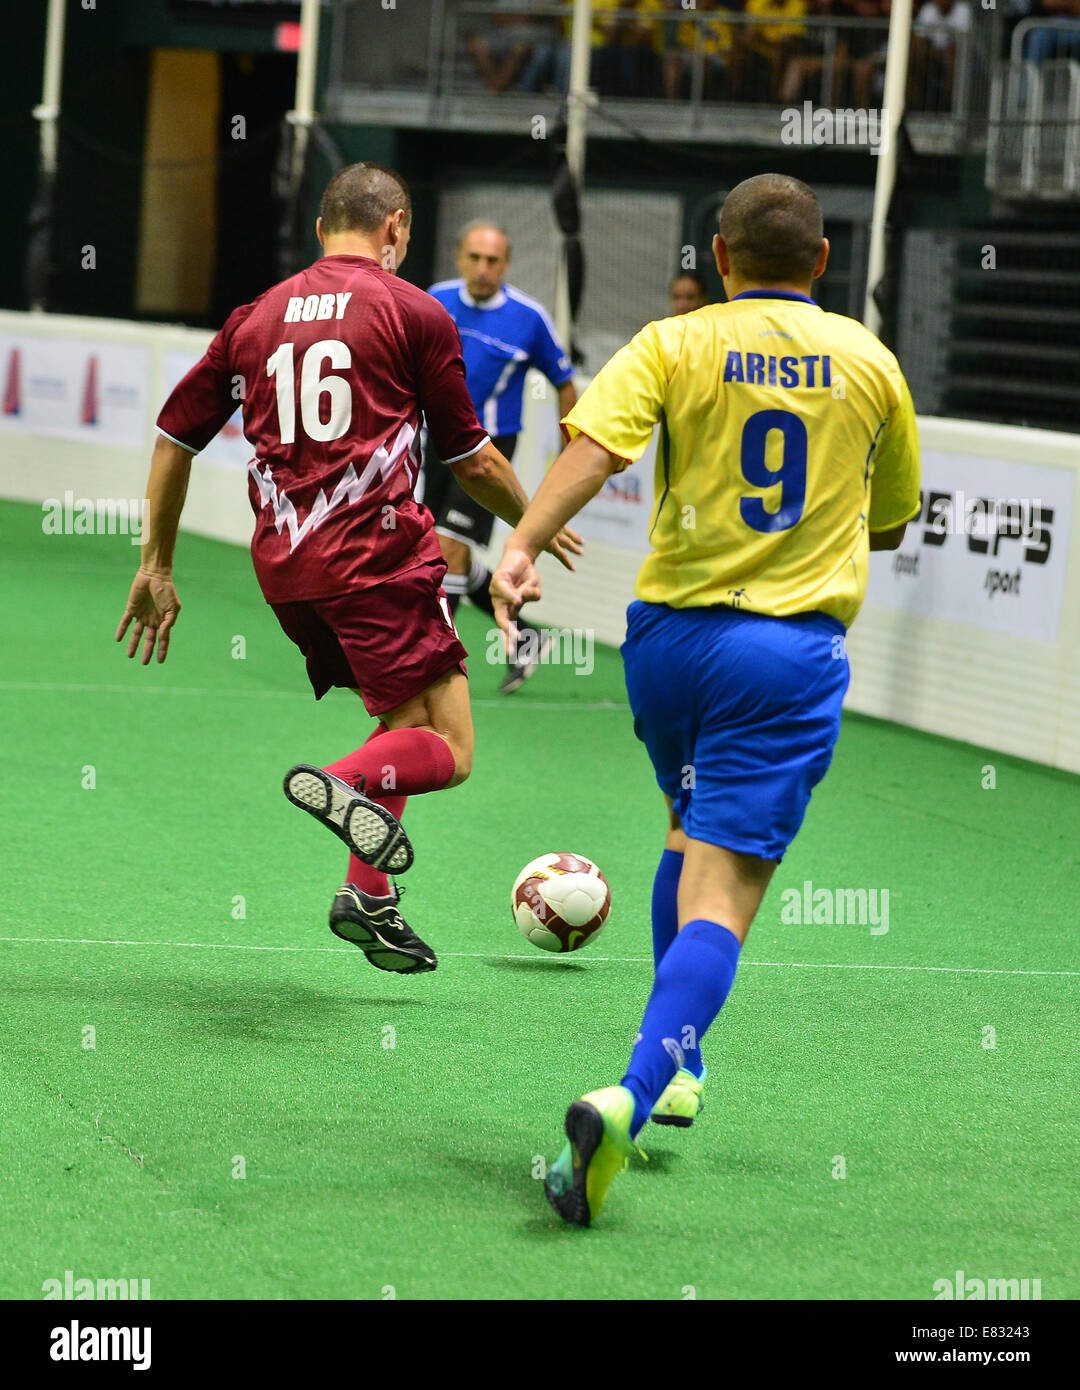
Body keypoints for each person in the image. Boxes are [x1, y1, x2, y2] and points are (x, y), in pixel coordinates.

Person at [490, 173, 920, 1226]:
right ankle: (626, 1098)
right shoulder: (870, 360)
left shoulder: (673, 341)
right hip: (784, 655)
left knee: (685, 829)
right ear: (823, 262)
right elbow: (895, 521)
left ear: (718, 260)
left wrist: (524, 544)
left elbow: (595, 449)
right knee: (725, 894)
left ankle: (677, 1063)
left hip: (668, 644)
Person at [116, 163, 582, 976]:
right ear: (395, 226)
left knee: (405, 725)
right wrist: (533, 522)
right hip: (378, 561)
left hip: (287, 571)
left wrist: (156, 562)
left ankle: (367, 898)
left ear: (321, 225)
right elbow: (471, 461)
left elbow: (174, 441)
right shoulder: (415, 312)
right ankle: (341, 783)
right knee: (451, 745)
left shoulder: (255, 316)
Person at [426, 221, 577, 694]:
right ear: (459, 258)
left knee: (448, 548)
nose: (482, 268)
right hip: (435, 442)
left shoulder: (529, 318)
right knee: (439, 549)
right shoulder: (435, 299)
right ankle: (525, 636)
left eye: (492, 260)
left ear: (506, 265)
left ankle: (436, 661)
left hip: (488, 450)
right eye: (474, 257)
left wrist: (571, 451)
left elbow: (565, 383)